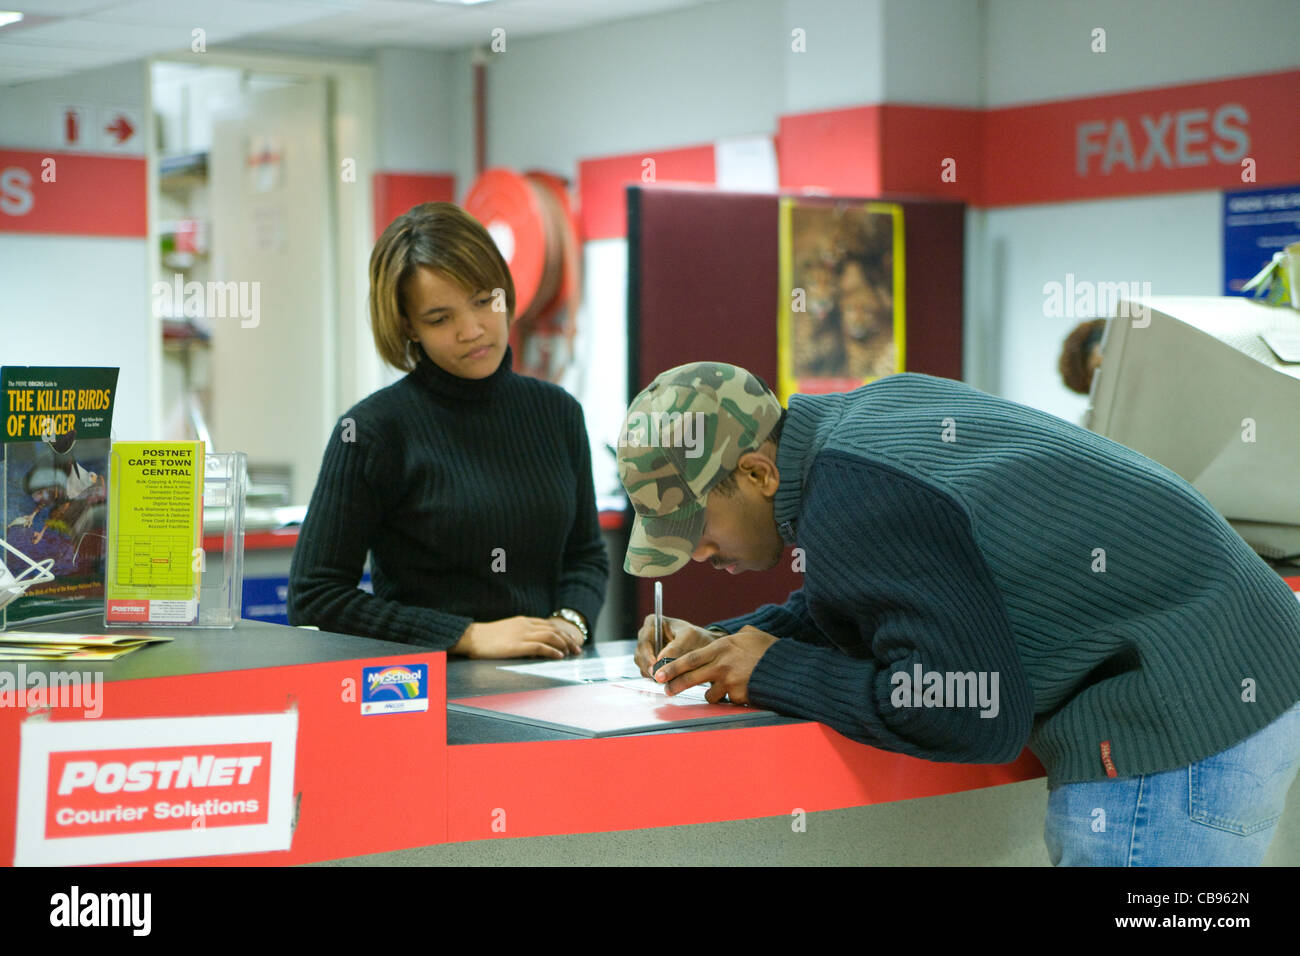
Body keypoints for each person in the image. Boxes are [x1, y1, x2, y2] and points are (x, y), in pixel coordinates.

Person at [618, 361, 1300, 865]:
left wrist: (772, 669)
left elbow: (970, 714)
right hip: (1240, 657)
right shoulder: (858, 428)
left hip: (1184, 709)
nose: (698, 553)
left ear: (760, 474)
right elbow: (885, 596)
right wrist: (732, 641)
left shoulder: (856, 492)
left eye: (698, 525)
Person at [288, 202, 607, 659]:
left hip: (554, 677)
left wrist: (569, 621)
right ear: (408, 327)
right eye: (441, 318)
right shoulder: (370, 432)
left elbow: (585, 557)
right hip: (425, 688)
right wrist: (467, 635)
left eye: (484, 301)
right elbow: (315, 597)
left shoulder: (557, 413)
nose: (472, 330)